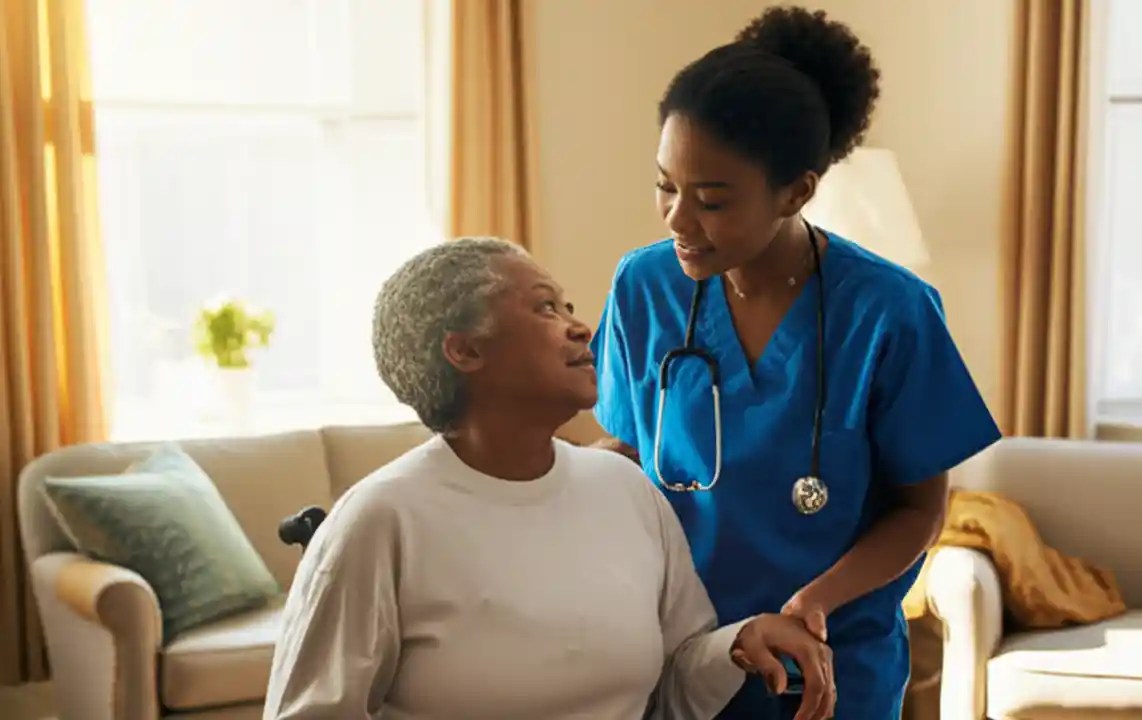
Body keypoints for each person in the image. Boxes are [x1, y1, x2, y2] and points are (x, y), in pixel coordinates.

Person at [589, 6, 1003, 719]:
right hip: (681, 655)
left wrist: (814, 604)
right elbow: (626, 455)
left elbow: (919, 509)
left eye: (712, 200)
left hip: (830, 665)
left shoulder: (889, 312)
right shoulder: (643, 287)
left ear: (797, 190)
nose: (678, 220)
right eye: (666, 186)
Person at [262, 237, 837, 720]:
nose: (580, 328)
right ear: (465, 351)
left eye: (566, 307)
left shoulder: (626, 490)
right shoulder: (380, 519)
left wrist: (737, 644)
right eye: (544, 309)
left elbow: (676, 678)